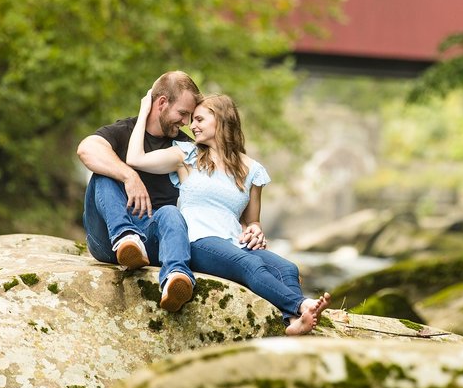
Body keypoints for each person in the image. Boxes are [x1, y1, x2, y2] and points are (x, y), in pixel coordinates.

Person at [125, 90, 331, 335]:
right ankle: (301, 304)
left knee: (288, 269)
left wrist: (255, 229)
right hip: (196, 240)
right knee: (249, 264)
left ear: (221, 120)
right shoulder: (186, 155)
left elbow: (252, 220)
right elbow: (135, 159)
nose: (192, 126)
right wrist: (144, 110)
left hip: (233, 242)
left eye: (200, 119)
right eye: (192, 120)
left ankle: (293, 322)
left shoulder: (253, 170)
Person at [77, 71, 201, 313]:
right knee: (104, 172)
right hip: (108, 241)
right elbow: (86, 149)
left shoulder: (185, 148)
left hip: (153, 240)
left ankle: (176, 280)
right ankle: (125, 238)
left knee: (169, 213)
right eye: (183, 113)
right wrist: (129, 175)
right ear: (162, 103)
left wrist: (249, 224)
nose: (186, 122)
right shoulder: (125, 130)